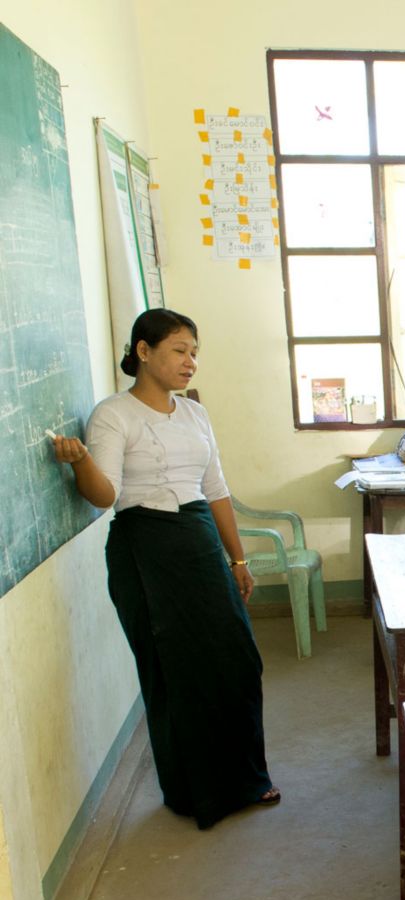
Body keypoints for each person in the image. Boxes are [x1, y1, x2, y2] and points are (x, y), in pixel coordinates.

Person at [50, 308, 278, 830]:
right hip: (144, 547)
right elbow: (103, 495)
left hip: (197, 540)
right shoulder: (114, 414)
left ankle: (246, 778)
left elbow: (216, 489)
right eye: (179, 349)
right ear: (143, 351)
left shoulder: (195, 414)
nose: (190, 361)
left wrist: (237, 558)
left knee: (238, 661)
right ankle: (192, 792)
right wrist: (81, 461)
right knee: (174, 672)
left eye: (194, 351)